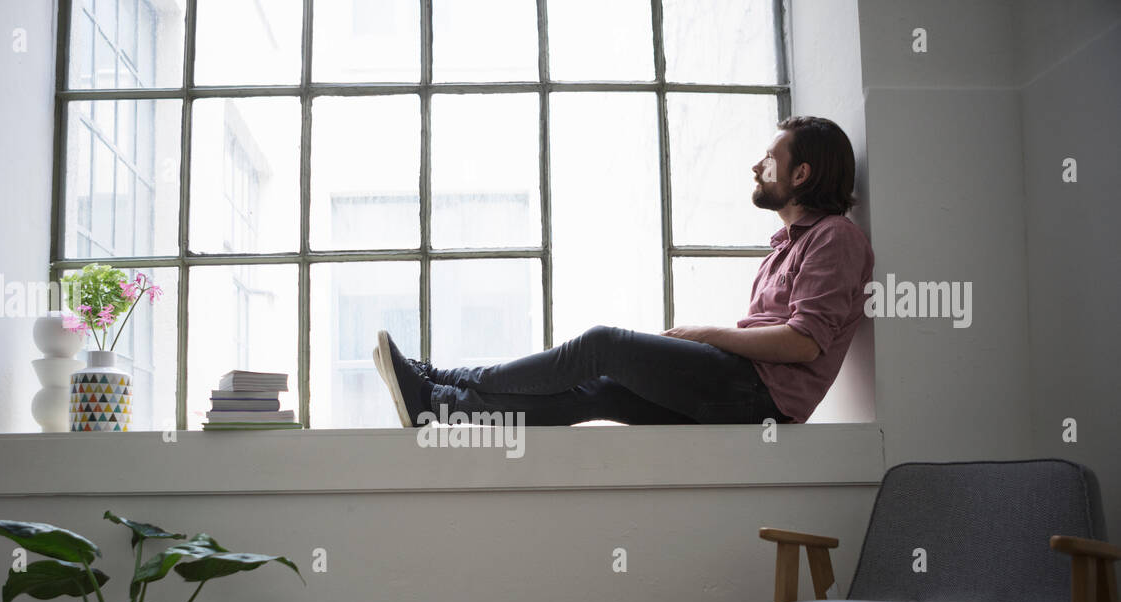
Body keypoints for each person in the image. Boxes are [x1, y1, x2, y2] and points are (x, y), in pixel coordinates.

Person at [373, 115, 874, 427]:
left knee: (603, 345)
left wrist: (707, 335)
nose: (756, 167)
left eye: (769, 159)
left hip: (759, 397)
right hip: (744, 393)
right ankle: (437, 404)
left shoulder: (835, 237)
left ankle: (442, 378)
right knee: (597, 393)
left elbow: (804, 342)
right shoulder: (786, 246)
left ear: (801, 174)